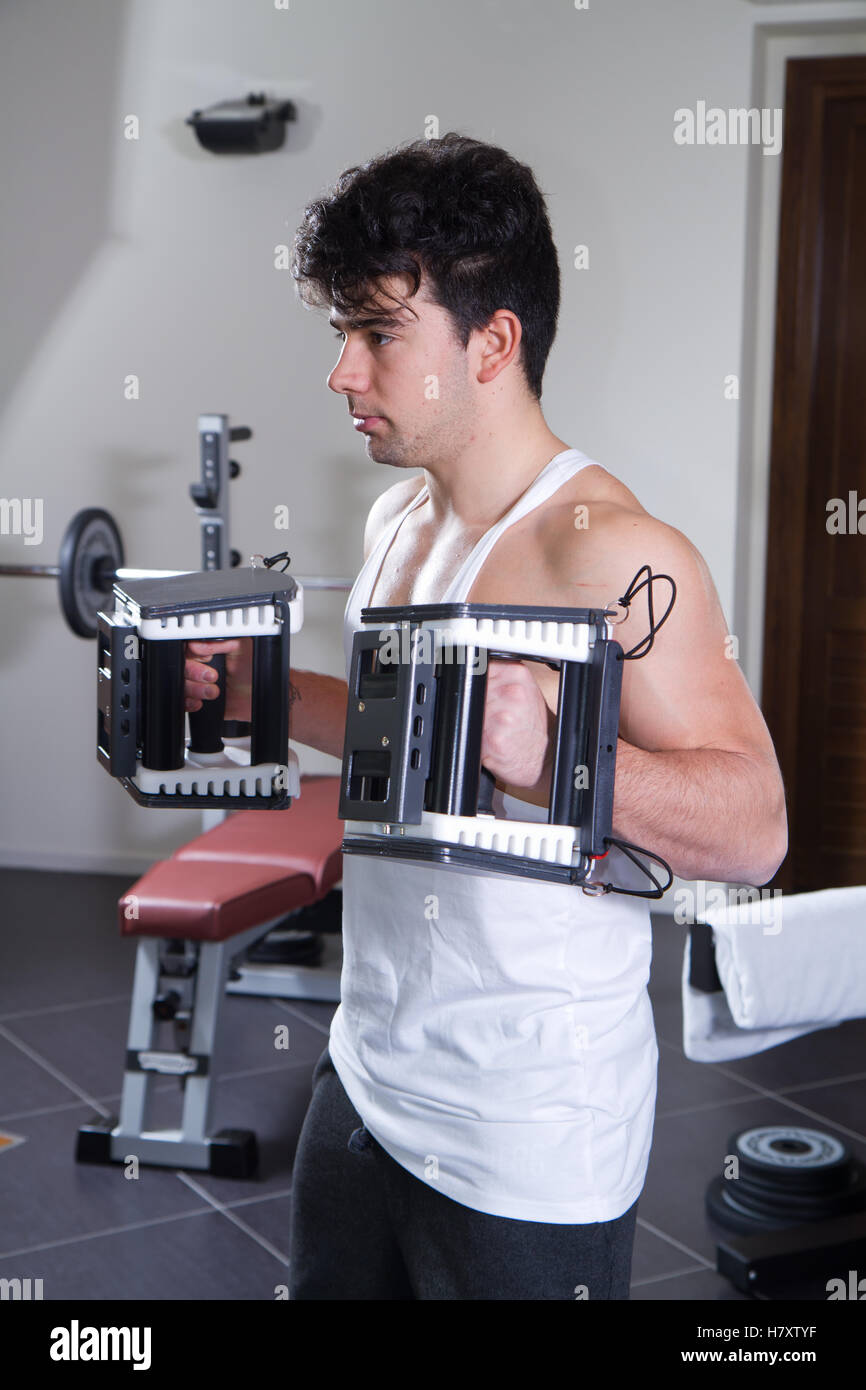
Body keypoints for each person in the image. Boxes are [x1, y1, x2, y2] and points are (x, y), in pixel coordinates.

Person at [183, 133, 787, 1300]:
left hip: (526, 1139)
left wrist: (563, 754)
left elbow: (753, 829)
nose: (341, 374)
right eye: (341, 333)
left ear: (493, 341)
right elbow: (397, 737)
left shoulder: (608, 551)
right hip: (363, 1079)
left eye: (376, 333)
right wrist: (264, 693)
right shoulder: (397, 525)